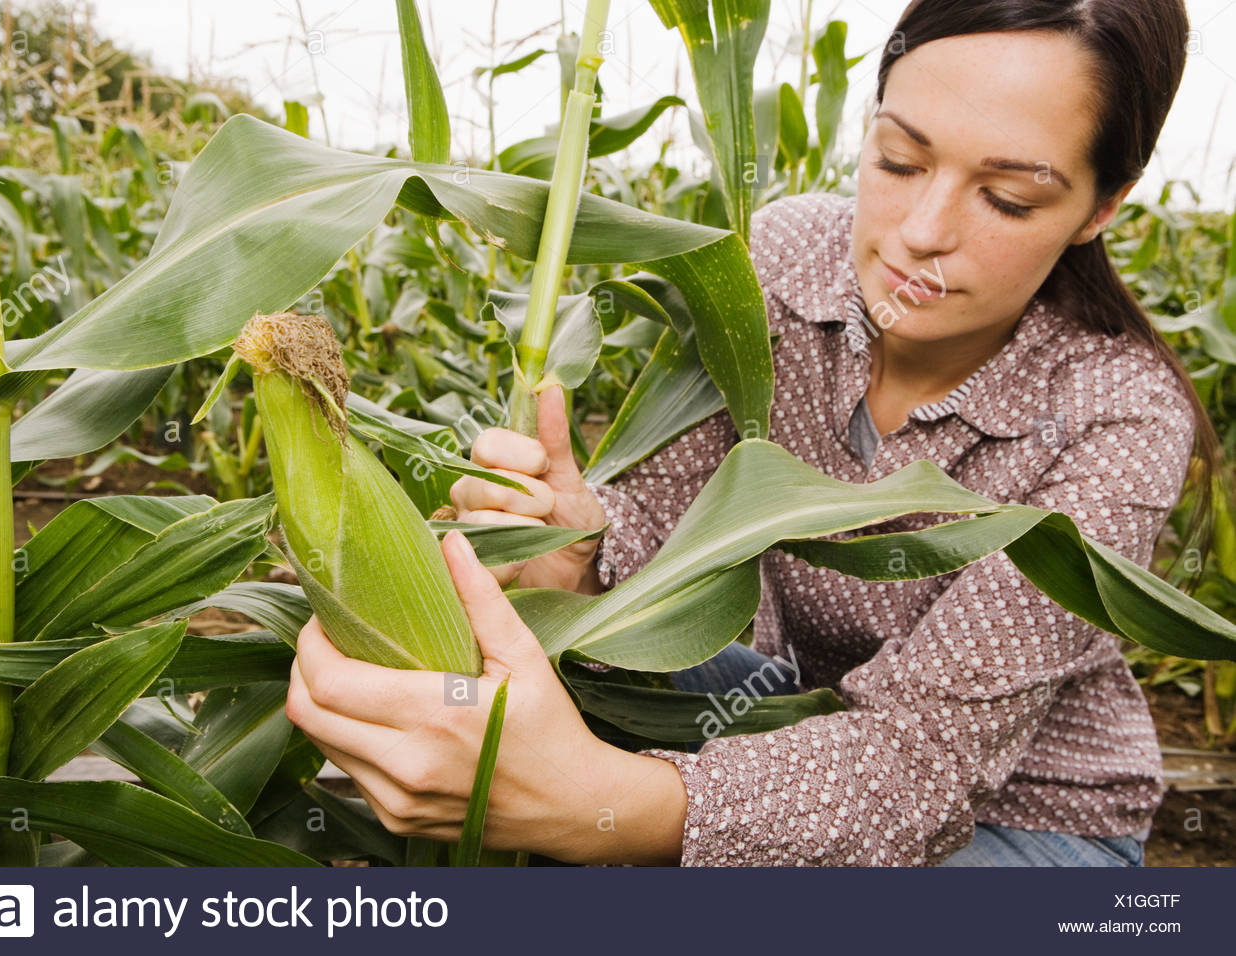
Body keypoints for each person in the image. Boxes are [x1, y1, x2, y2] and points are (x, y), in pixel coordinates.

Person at [285, 0, 1222, 866]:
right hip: (785, 706)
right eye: (898, 160)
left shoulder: (1118, 415)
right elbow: (668, 523)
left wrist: (595, 805)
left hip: (1016, 816)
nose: (921, 231)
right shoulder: (782, 262)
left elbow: (923, 765)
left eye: (1007, 199)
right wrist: (580, 551)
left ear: (1102, 207)